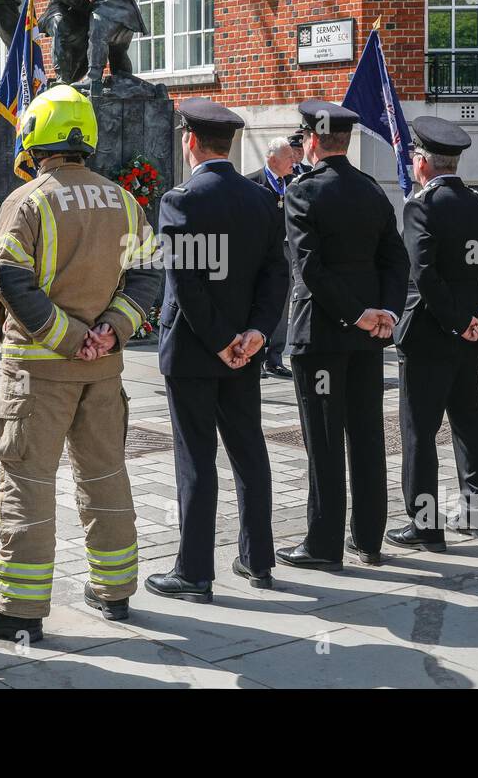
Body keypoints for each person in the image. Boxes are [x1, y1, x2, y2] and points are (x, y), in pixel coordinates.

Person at [0, 84, 161, 642]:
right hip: (104, 372)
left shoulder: (27, 200)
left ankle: (21, 609)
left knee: (26, 483)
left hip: (38, 372)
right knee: (105, 475)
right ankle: (115, 590)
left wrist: (67, 336)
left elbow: (10, 277)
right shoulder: (124, 200)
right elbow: (148, 274)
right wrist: (111, 330)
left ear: (35, 139)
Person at [145, 99, 287, 601]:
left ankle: (195, 572)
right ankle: (258, 559)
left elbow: (184, 283)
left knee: (196, 459)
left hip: (194, 352)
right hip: (245, 352)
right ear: (226, 144)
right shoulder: (259, 199)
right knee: (250, 451)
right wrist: (255, 333)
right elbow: (277, 273)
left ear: (190, 141)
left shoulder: (181, 200)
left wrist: (222, 339)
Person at [277, 100, 409, 570]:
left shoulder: (303, 193)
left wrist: (358, 314)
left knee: (325, 441)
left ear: (312, 140)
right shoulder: (371, 190)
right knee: (368, 435)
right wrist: (385, 313)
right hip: (368, 336)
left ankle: (323, 542)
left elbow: (309, 268)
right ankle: (369, 538)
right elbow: (397, 259)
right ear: (345, 141)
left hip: (322, 336)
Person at [388, 117, 478, 552]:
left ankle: (425, 524)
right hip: (470, 333)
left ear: (422, 163)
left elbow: (424, 274)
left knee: (420, 431)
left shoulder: (421, 207)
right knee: (469, 421)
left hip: (430, 333)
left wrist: (461, 322)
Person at [245, 136, 299, 378]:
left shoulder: (294, 183)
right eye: (289, 157)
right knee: (257, 300)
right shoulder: (251, 183)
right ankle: (253, 356)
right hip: (259, 251)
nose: (294, 161)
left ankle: (274, 357)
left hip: (286, 250)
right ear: (272, 158)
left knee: (282, 301)